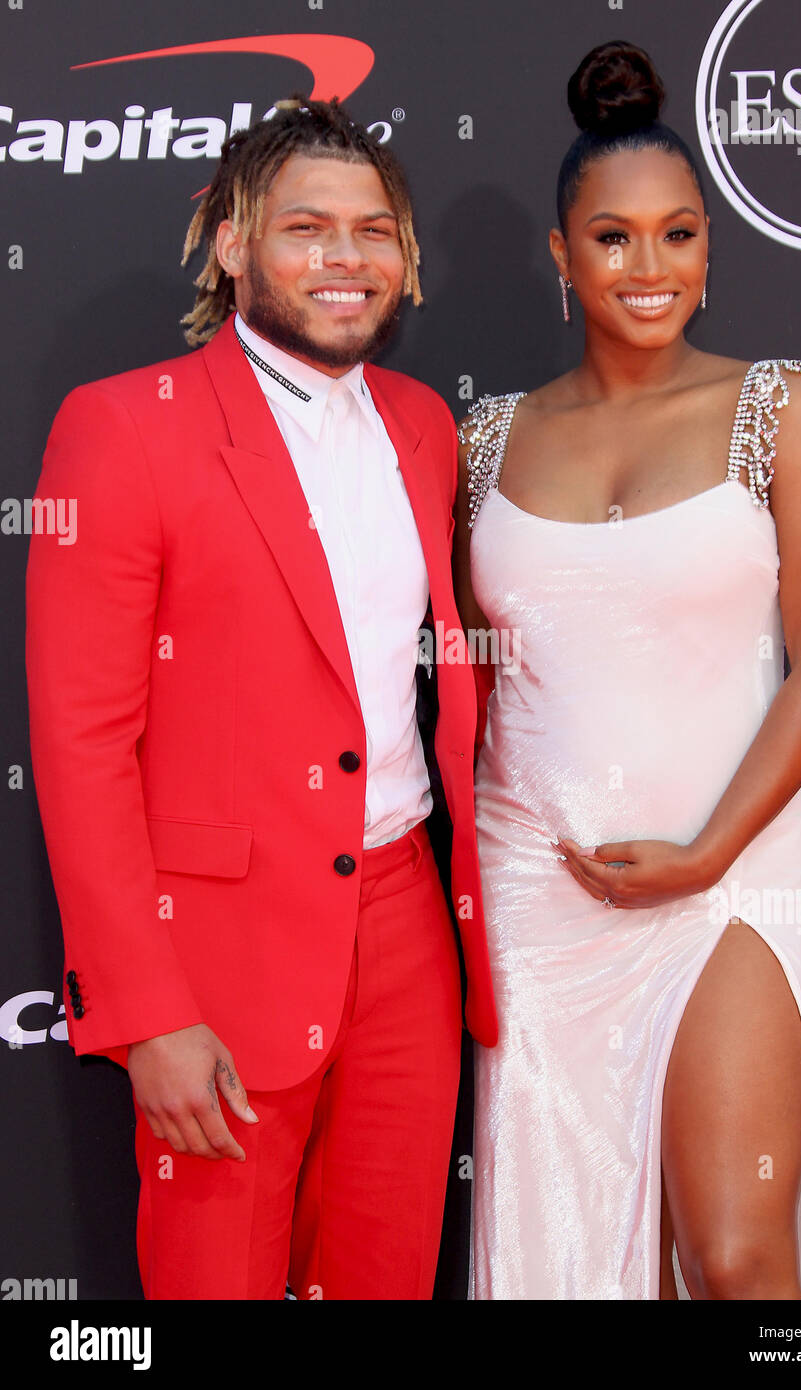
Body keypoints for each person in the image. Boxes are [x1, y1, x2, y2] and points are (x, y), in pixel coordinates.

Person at [25, 94, 497, 1301]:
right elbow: (82, 744)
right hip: (215, 949)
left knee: (384, 1274)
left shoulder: (422, 423)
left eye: (374, 231)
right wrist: (145, 1010)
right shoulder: (122, 427)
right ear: (233, 243)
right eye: (306, 228)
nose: (346, 259)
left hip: (402, 927)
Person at [455, 40, 801, 1300]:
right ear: (562, 254)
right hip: (539, 887)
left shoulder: (787, 410)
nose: (650, 269)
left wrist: (702, 852)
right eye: (614, 239)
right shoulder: (481, 439)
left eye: (677, 235)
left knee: (740, 1256)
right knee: (566, 1258)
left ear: (708, 246)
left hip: (729, 874)